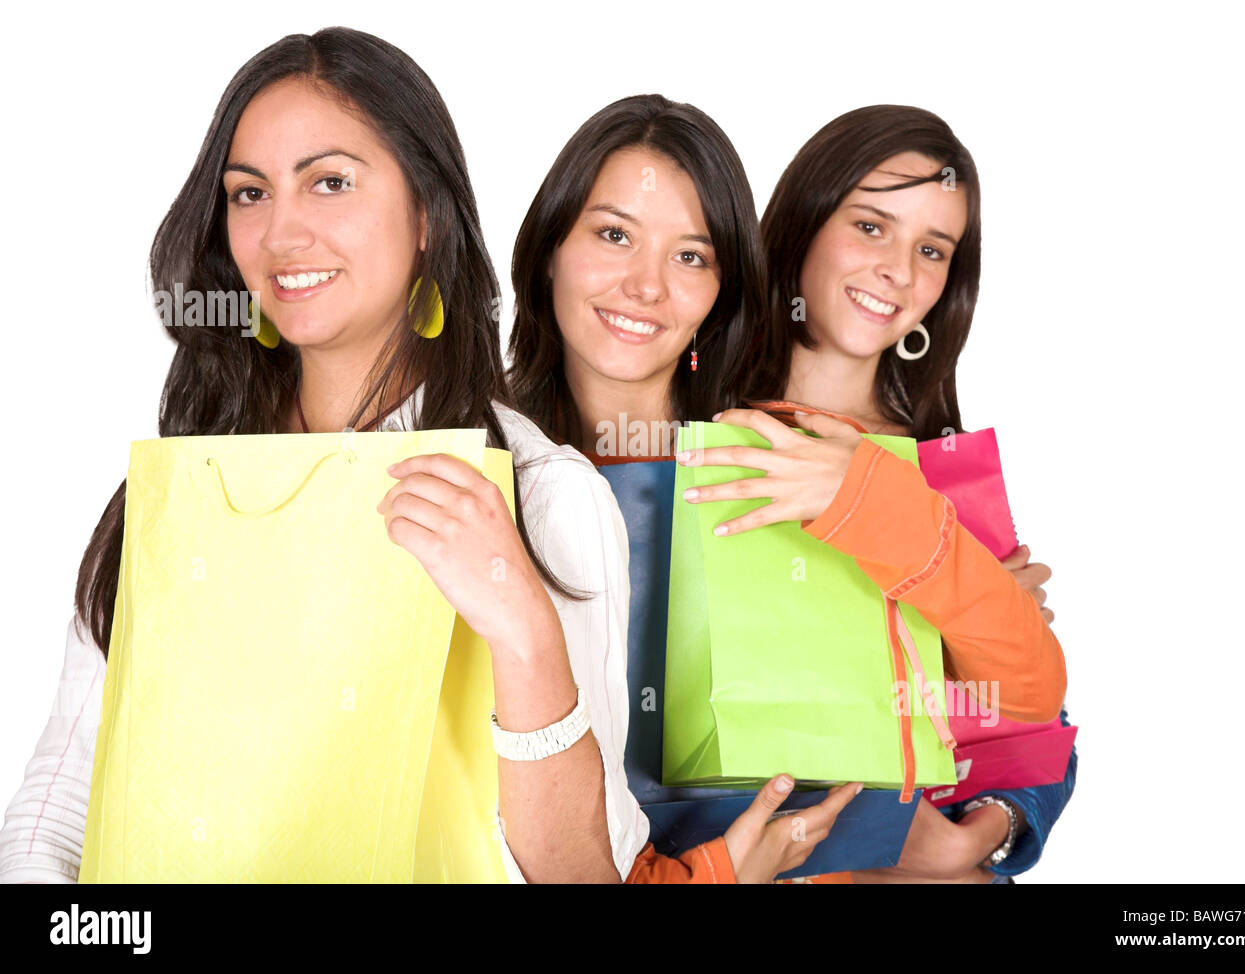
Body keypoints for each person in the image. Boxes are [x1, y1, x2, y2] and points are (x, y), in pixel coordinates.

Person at [0, 27, 644, 884]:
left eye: (329, 182)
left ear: (427, 215)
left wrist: (523, 630)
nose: (281, 232)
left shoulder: (541, 494)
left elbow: (582, 876)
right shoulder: (180, 493)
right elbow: (62, 798)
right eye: (249, 193)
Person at [683, 105, 1076, 882]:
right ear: (802, 226)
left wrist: (987, 835)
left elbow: (1036, 722)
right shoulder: (694, 422)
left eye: (932, 249)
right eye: (870, 227)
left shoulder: (942, 468)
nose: (900, 270)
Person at [507, 94, 861, 882]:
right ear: (549, 251)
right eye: (613, 235)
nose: (646, 286)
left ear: (720, 295)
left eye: (691, 256)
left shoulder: (788, 466)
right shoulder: (478, 465)